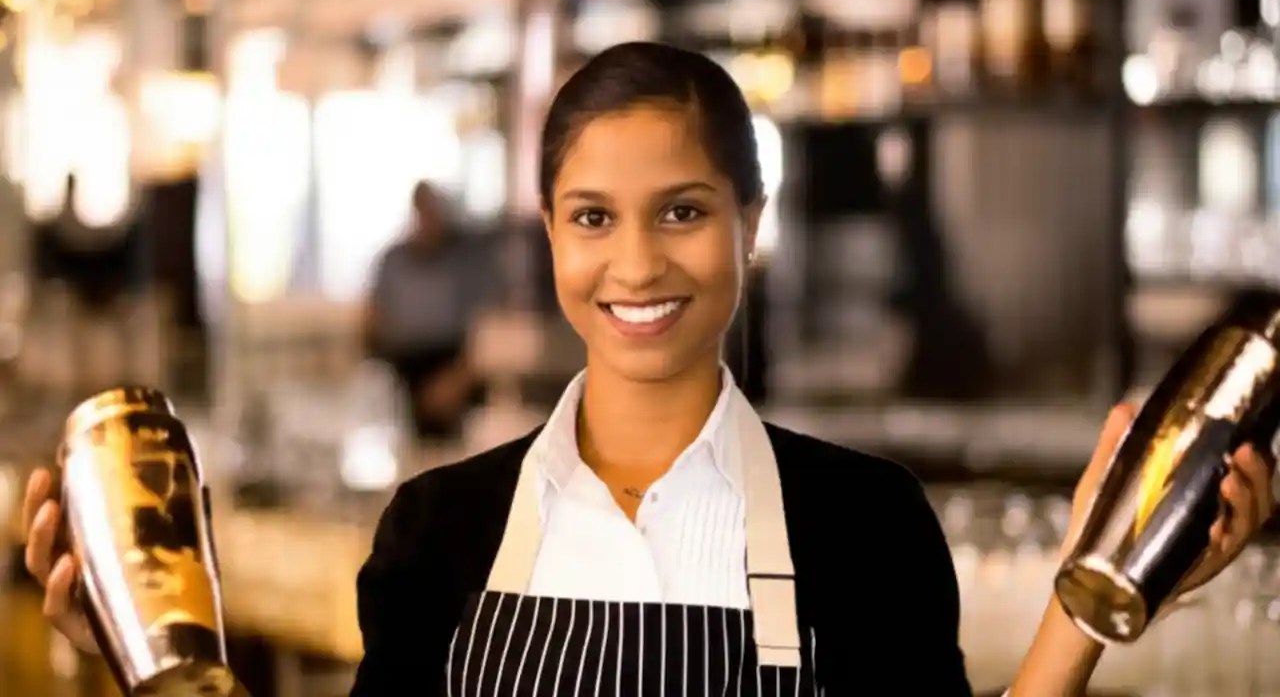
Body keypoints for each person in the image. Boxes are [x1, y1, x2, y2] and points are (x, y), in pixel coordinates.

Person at [20, 42, 1275, 695]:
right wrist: (157, 666)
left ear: (750, 225)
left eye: (680, 212)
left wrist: (1089, 596)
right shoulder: (436, 532)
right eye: (590, 217)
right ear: (549, 229)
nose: (634, 264)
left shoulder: (863, 524)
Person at [363, 180, 491, 441]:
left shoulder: (465, 264)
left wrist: (457, 381)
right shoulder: (392, 260)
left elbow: (485, 333)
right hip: (399, 368)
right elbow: (371, 319)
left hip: (449, 365)